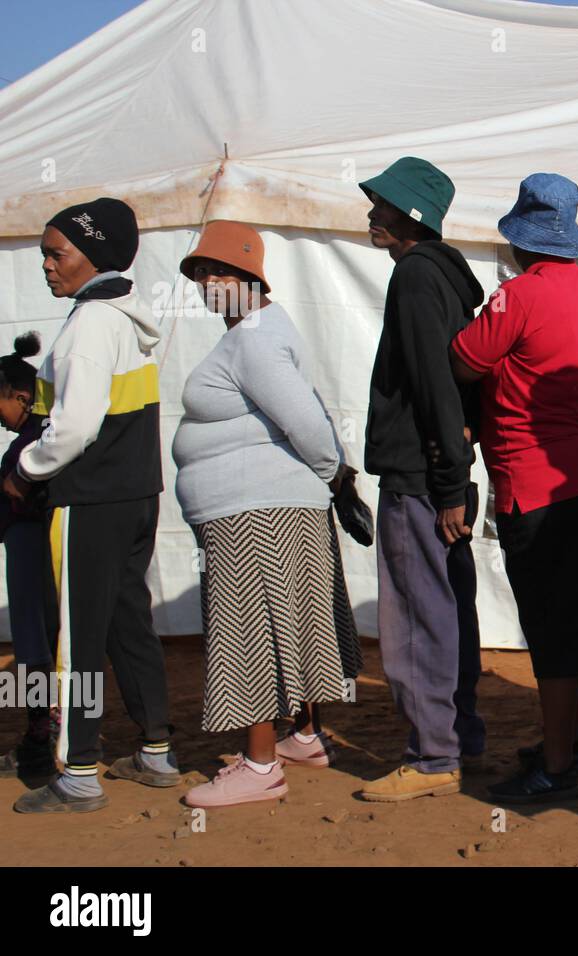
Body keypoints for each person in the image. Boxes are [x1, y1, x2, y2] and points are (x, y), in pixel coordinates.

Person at [451, 173, 578, 802]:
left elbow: (460, 362)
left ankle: (560, 763)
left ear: (520, 241)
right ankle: (567, 745)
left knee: (552, 632)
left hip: (539, 485)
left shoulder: (518, 297)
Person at [170, 221, 363, 808]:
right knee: (289, 623)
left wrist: (335, 472)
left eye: (217, 272)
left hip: (258, 512)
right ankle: (303, 736)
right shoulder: (253, 331)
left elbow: (303, 418)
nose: (206, 283)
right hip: (269, 507)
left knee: (249, 632)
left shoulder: (253, 335)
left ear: (249, 276)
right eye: (200, 273)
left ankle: (259, 766)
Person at [5, 198, 177, 813]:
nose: (46, 266)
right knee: (129, 620)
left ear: (94, 253)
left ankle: (78, 772)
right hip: (135, 495)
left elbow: (74, 428)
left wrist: (26, 469)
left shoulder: (87, 326)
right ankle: (155, 750)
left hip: (90, 498)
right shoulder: (128, 319)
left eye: (57, 253)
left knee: (78, 635)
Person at [359, 157, 488, 802]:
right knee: (450, 608)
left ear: (411, 214)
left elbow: (433, 383)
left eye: (382, 204)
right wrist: (457, 477)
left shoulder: (415, 277)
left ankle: (433, 757)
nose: (372, 214)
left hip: (420, 474)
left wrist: (442, 483)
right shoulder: (452, 279)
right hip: (444, 470)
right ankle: (460, 734)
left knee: (416, 614)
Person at [0, 333, 56, 781]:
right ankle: (41, 736)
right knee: (38, 649)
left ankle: (42, 741)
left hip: (35, 556)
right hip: (30, 555)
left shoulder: (35, 445)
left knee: (36, 649)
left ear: (21, 395)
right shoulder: (37, 438)